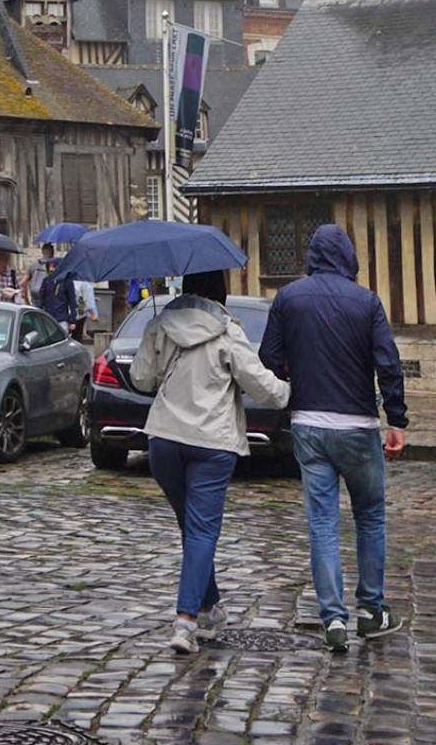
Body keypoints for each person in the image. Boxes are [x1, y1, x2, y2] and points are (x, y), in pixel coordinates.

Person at [259, 223, 407, 652]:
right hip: (358, 425)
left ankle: (333, 619)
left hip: (309, 424)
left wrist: (297, 378)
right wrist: (396, 420)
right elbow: (389, 363)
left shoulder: (288, 299)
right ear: (349, 257)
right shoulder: (366, 302)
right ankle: (371, 610)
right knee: (370, 517)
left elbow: (269, 358)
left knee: (322, 522)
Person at [131, 269, 290, 655]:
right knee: (201, 532)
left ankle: (209, 606)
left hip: (164, 441)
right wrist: (290, 393)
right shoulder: (226, 331)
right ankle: (186, 621)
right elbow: (259, 383)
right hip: (211, 444)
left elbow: (140, 380)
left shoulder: (159, 325)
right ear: (220, 291)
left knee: (193, 529)